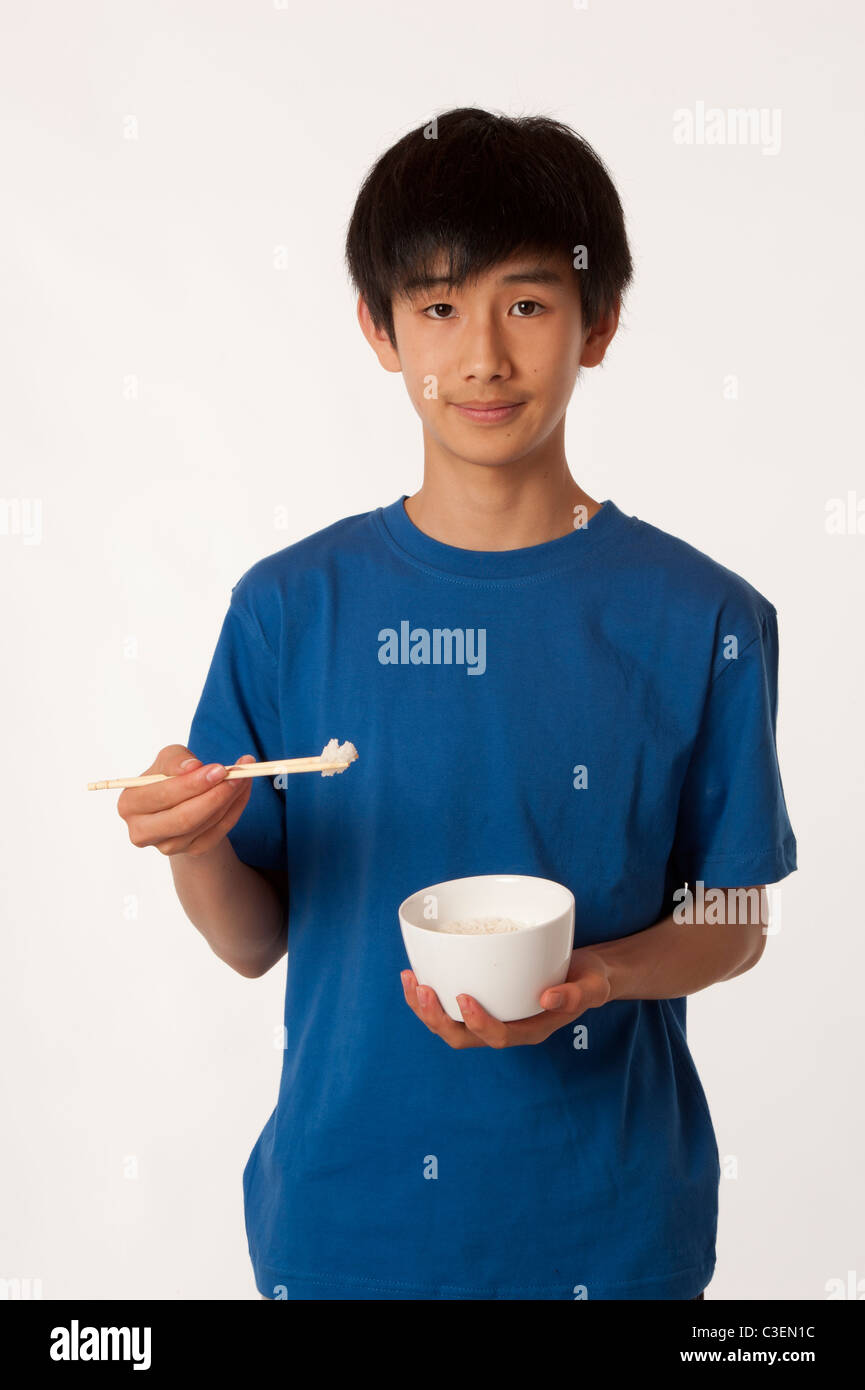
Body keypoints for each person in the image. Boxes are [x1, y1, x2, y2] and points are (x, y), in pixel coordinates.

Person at [117, 107, 797, 1300]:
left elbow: (732, 917)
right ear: (379, 331)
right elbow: (248, 939)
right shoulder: (288, 608)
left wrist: (603, 976)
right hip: (344, 1229)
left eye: (528, 304)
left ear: (601, 324)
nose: (482, 355)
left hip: (612, 1228)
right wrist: (194, 842)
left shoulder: (705, 618)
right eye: (436, 308)